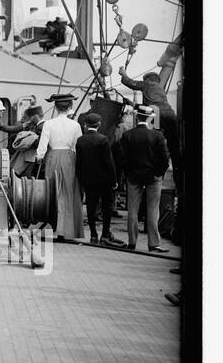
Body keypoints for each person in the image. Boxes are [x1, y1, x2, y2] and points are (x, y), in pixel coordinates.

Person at [117, 106, 170, 253]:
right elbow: (164, 158)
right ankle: (154, 243)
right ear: (150, 118)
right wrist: (158, 173)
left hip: (133, 177)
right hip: (153, 177)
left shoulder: (127, 135)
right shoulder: (157, 135)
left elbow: (122, 158)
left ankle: (132, 242)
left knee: (132, 209)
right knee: (153, 209)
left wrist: (128, 173)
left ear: (137, 117)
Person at [34, 92, 83, 240]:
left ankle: (54, 226)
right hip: (69, 157)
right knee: (69, 192)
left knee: (52, 192)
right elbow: (77, 145)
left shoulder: (48, 124)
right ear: (70, 107)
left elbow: (42, 146)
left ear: (55, 107)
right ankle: (67, 230)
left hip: (53, 157)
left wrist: (39, 157)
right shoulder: (75, 125)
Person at [119, 68, 181, 184]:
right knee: (174, 148)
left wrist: (123, 73)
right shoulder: (159, 90)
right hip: (171, 115)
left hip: (156, 114)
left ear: (148, 79)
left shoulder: (147, 84)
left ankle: (152, 171)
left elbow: (130, 83)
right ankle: (179, 177)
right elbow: (146, 106)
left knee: (153, 141)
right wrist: (132, 104)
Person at [74, 112, 119, 245]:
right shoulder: (103, 139)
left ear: (86, 125)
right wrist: (114, 180)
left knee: (91, 207)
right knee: (106, 206)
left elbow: (79, 162)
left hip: (88, 180)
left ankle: (93, 235)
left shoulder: (80, 140)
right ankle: (105, 233)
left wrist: (81, 179)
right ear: (99, 124)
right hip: (104, 180)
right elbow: (108, 162)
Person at [8, 103, 44, 178]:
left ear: (36, 117)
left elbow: (40, 142)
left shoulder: (41, 126)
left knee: (25, 178)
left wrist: (26, 140)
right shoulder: (38, 126)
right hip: (30, 158)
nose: (30, 120)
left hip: (31, 159)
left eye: (31, 118)